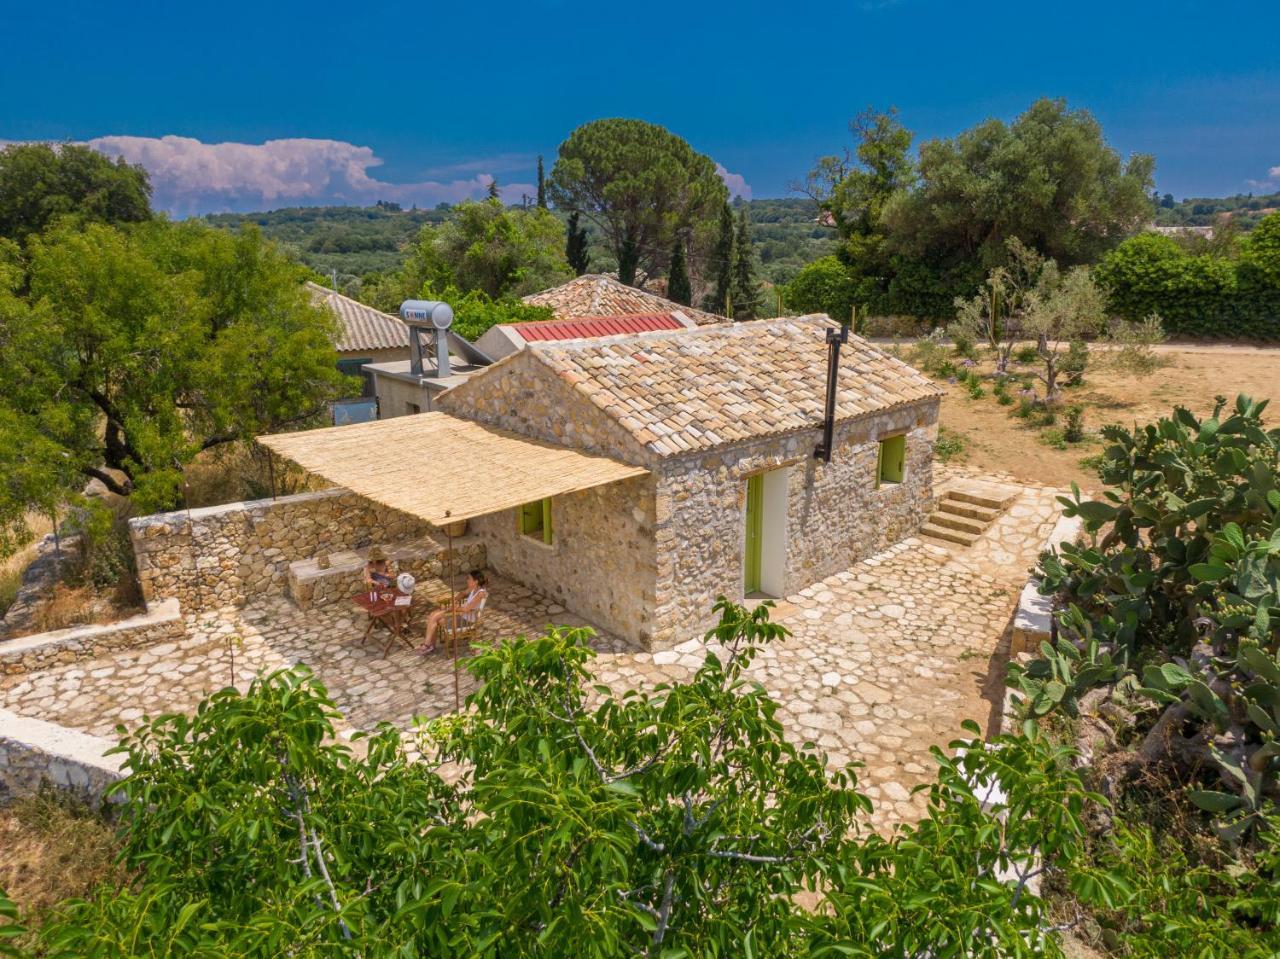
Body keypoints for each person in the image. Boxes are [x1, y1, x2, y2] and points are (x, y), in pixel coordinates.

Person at [418, 570, 488, 654]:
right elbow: (462, 593)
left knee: (435, 617)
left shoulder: (481, 594)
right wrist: (455, 600)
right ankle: (429, 644)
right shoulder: (473, 589)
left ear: (475, 581)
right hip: (461, 616)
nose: (467, 580)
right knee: (433, 615)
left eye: (469, 578)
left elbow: (467, 609)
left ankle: (428, 645)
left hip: (466, 621)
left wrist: (455, 608)